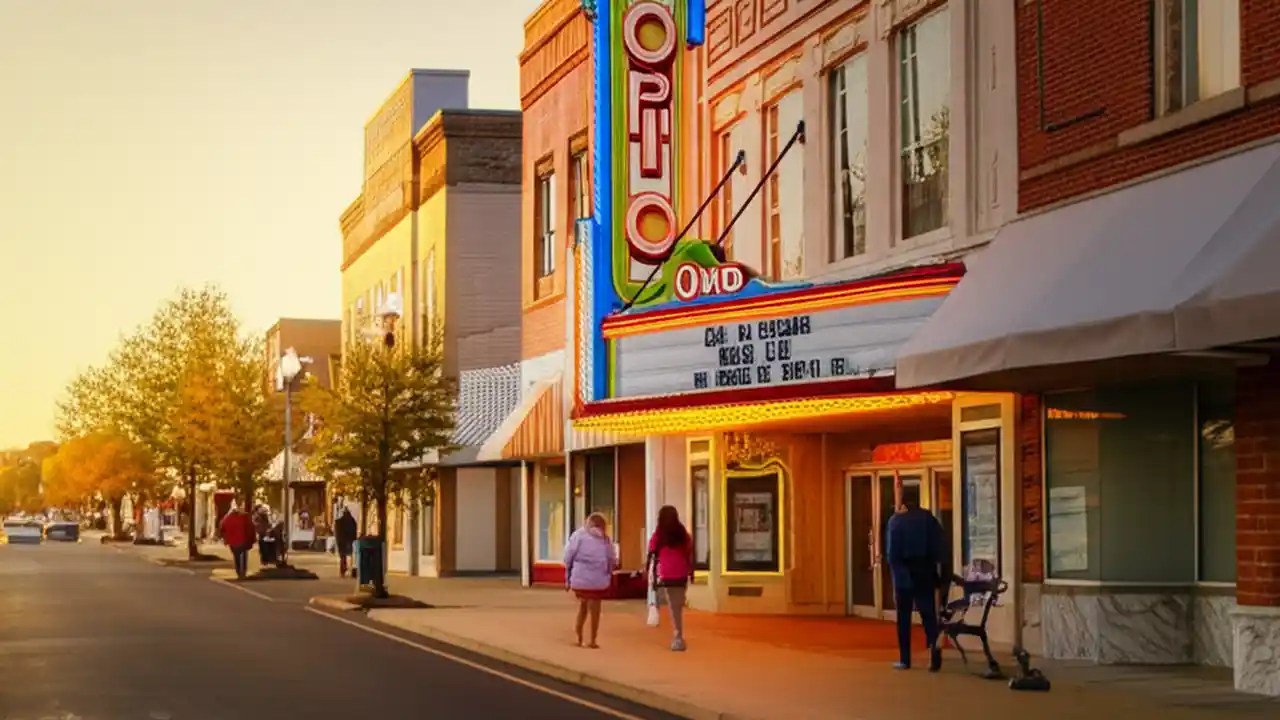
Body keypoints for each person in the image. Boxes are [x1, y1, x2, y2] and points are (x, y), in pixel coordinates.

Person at [885, 494, 948, 671]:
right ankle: (933, 652)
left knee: (903, 618)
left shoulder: (895, 522)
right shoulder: (928, 519)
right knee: (928, 615)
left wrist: (898, 576)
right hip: (925, 572)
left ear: (903, 505)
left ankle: (905, 659)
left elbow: (892, 554)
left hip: (903, 574)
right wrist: (938, 575)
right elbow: (940, 547)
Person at [563, 512, 616, 649]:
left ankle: (579, 637)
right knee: (595, 610)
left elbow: (568, 555)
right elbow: (611, 558)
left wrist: (568, 574)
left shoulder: (578, 535)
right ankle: (592, 639)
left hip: (580, 580)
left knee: (583, 607)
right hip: (599, 581)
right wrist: (609, 572)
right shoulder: (605, 539)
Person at [647, 505, 694, 651]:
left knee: (673, 606)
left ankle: (678, 636)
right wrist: (691, 572)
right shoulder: (682, 534)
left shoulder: (659, 534)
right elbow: (689, 552)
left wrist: (648, 570)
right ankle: (678, 635)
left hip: (666, 573)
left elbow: (652, 551)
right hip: (681, 572)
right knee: (676, 605)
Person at [219, 506, 256, 580]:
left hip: (233, 542)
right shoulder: (244, 517)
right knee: (244, 555)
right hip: (243, 540)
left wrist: (225, 538)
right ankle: (243, 572)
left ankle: (239, 572)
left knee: (236, 557)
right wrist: (252, 539)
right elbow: (251, 528)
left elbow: (222, 528)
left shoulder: (227, 518)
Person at [335, 507, 358, 578]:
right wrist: (354, 538)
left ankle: (343, 570)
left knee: (343, 556)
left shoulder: (339, 521)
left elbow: (337, 532)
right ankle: (350, 570)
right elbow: (354, 531)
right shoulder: (352, 521)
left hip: (341, 541)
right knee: (349, 555)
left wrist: (338, 540)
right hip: (349, 540)